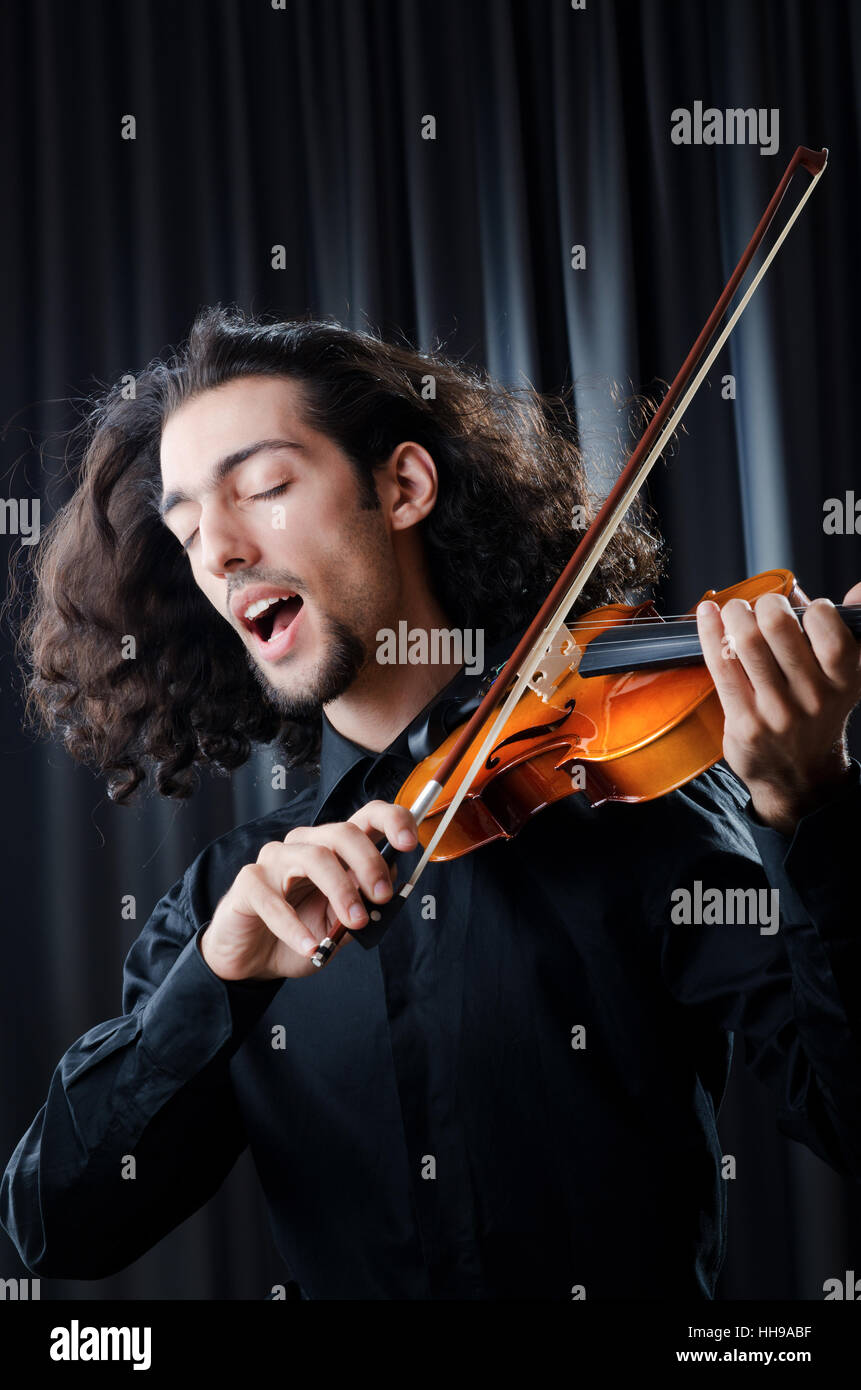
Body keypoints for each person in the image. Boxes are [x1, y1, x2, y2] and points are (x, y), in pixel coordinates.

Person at [2, 306, 860, 1299]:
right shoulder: (227, 909)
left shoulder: (633, 799)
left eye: (265, 487)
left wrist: (812, 807)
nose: (221, 551)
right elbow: (53, 1225)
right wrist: (216, 982)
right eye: (188, 528)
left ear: (403, 486)